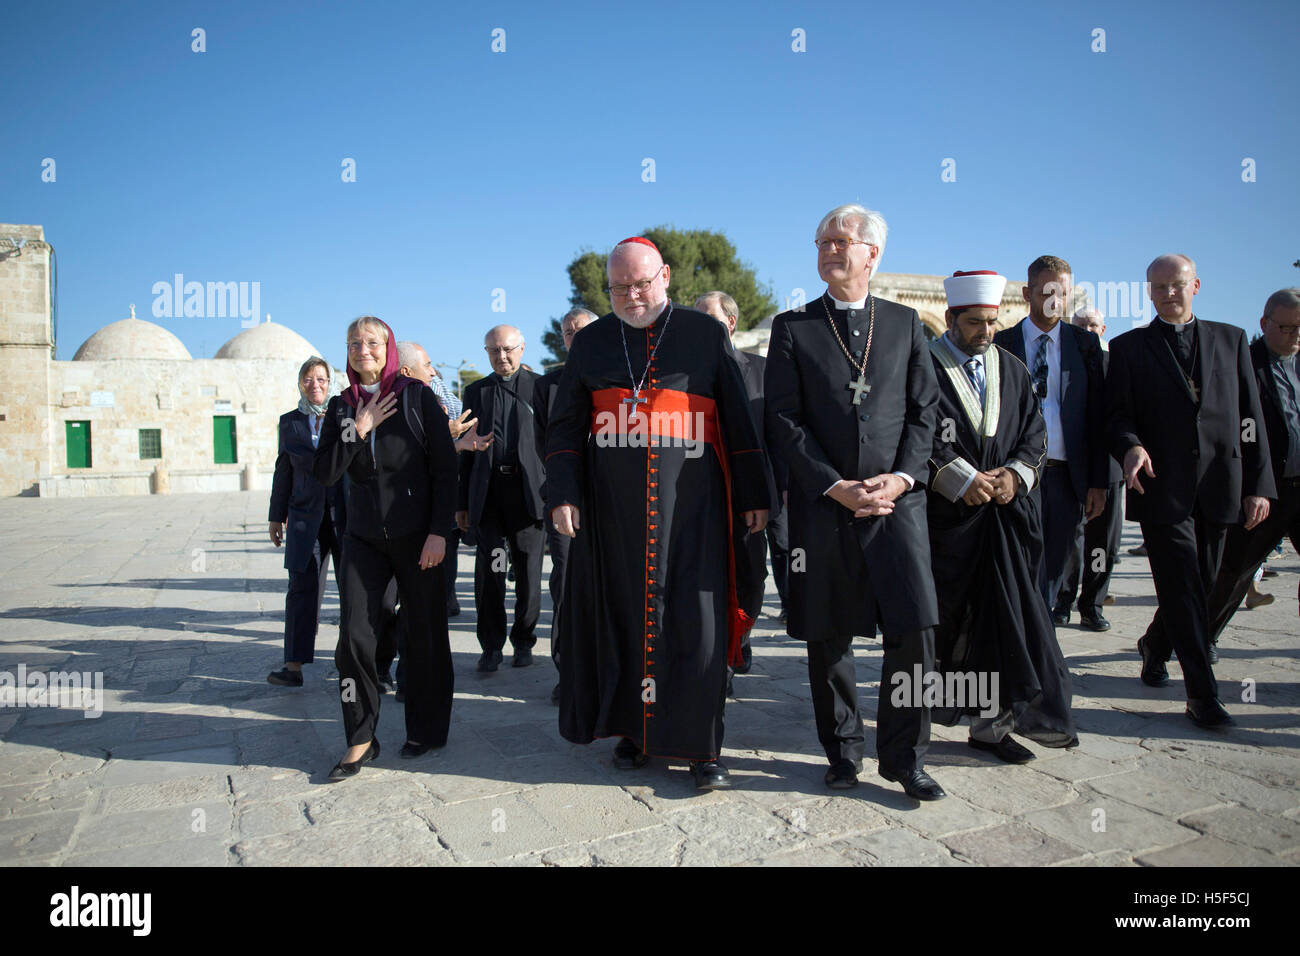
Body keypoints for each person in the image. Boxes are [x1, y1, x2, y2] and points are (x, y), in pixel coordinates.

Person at [546, 236, 769, 790]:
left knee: (697, 624)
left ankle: (702, 748)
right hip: (614, 515)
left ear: (665, 276)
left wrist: (754, 495)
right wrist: (563, 493)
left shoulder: (703, 333)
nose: (631, 295)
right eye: (618, 287)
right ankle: (634, 731)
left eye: (641, 283)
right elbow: (565, 428)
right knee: (624, 617)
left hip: (696, 511)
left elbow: (739, 422)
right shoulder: (592, 342)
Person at [764, 204, 945, 800]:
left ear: (872, 253)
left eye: (840, 241)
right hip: (827, 505)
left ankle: (906, 755)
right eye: (820, 242)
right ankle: (842, 750)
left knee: (915, 628)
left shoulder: (906, 322)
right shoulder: (795, 327)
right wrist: (833, 485)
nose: (828, 250)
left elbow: (926, 412)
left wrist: (903, 478)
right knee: (828, 633)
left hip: (899, 506)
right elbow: (784, 420)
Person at [1110, 255, 1275, 727]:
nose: (1167, 294)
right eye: (1158, 287)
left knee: (1201, 585)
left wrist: (1258, 484)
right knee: (1181, 586)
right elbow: (1116, 416)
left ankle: (1154, 643)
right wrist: (1131, 447)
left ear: (1195, 285)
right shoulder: (1129, 349)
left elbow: (1251, 418)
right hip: (1162, 488)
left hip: (1221, 485)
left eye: (1176, 285)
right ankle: (1202, 694)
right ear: (1147, 291)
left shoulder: (1232, 339)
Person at [926, 271, 1077, 761]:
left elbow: (1035, 435)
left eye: (992, 322)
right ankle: (916, 722)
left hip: (1006, 520)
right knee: (945, 623)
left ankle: (991, 728)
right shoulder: (922, 366)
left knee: (1005, 621)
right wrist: (958, 478)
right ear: (951, 319)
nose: (986, 332)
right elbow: (910, 434)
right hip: (944, 523)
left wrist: (1014, 476)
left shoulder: (1011, 369)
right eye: (974, 323)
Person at [313, 316, 459, 779]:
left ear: (387, 347)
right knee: (355, 635)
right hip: (362, 538)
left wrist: (439, 531)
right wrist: (359, 426)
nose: (363, 349)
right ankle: (360, 738)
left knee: (424, 631)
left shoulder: (417, 397)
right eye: (354, 342)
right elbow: (325, 473)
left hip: (420, 538)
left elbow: (445, 469)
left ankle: (426, 728)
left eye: (372, 342)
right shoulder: (340, 407)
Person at [1183, 289, 1300, 656]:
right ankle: (1200, 637)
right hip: (1264, 488)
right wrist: (1253, 486)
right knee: (1234, 571)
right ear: (1264, 323)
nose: (1295, 334)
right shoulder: (1243, 363)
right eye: (1286, 326)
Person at [993, 257, 1109, 625]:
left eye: (1063, 293)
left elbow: (1100, 416)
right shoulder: (1002, 345)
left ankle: (1037, 642)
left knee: (1055, 567)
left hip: (1065, 476)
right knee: (1021, 565)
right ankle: (1028, 643)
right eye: (1047, 292)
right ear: (1027, 293)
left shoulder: (1086, 347)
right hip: (1017, 476)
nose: (1055, 301)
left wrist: (1098, 481)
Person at [695, 290, 786, 688]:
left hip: (750, 498)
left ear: (730, 322)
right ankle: (719, 659)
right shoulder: (687, 374)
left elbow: (778, 439)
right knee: (706, 578)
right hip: (701, 496)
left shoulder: (765, 371)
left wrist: (771, 494)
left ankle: (741, 635)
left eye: (709, 318)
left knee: (750, 577)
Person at [457, 326, 547, 672]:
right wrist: (461, 503)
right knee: (491, 575)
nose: (502, 356)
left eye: (508, 349)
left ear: (522, 348)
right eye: (493, 351)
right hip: (490, 497)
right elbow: (465, 453)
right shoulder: (475, 392)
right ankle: (491, 646)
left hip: (528, 498)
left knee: (528, 574)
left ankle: (523, 641)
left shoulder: (540, 388)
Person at [267, 357, 346, 687]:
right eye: (308, 380)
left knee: (353, 590)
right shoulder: (290, 423)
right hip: (304, 518)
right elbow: (283, 470)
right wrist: (276, 515)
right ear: (300, 384)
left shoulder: (345, 416)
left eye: (322, 379)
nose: (315, 385)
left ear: (330, 383)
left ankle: (353, 662)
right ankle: (293, 665)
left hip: (344, 516)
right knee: (301, 589)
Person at [536, 308, 597, 704]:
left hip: (615, 497)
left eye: (581, 331)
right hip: (566, 500)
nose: (573, 337)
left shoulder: (621, 374)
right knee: (566, 583)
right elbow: (548, 445)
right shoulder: (549, 385)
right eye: (568, 332)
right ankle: (567, 670)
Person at [1054, 307, 1125, 629]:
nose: (1088, 330)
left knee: (1103, 542)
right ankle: (1063, 600)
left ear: (1103, 328)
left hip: (1109, 465)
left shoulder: (1117, 363)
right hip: (1072, 462)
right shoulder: (1064, 363)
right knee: (1071, 539)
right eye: (1081, 325)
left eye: (1093, 325)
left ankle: (1093, 604)